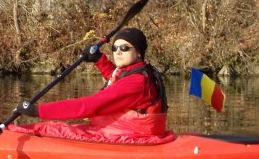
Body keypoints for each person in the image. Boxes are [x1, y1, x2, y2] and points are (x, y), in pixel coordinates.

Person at [9, 27, 171, 144]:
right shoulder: (141, 72)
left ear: (139, 52)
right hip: (129, 133)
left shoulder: (136, 83)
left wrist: (38, 110)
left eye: (124, 48)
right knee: (52, 128)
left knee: (46, 130)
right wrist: (99, 59)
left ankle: (7, 135)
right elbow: (117, 83)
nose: (118, 52)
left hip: (125, 137)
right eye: (114, 48)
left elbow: (88, 106)